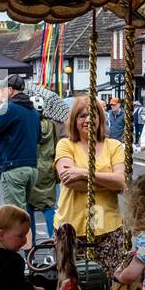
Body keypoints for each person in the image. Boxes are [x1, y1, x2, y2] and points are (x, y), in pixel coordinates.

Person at [54, 95, 128, 273]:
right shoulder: (65, 145)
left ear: (100, 119)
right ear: (74, 120)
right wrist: (108, 182)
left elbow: (121, 181)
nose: (88, 120)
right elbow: (69, 182)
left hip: (107, 227)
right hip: (71, 227)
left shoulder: (114, 146)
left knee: (109, 285)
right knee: (71, 284)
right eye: (82, 116)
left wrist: (83, 172)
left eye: (93, 115)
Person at [0, 75, 41, 212]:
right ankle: (29, 234)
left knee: (15, 216)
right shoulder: (33, 111)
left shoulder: (9, 108)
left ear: (10, 90)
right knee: (24, 214)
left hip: (13, 167)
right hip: (32, 168)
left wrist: (0, 108)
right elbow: (39, 137)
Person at [28, 104, 59, 239]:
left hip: (32, 165)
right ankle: (54, 240)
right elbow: (58, 144)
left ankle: (31, 246)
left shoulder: (28, 125)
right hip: (48, 167)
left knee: (29, 207)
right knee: (49, 205)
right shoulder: (52, 126)